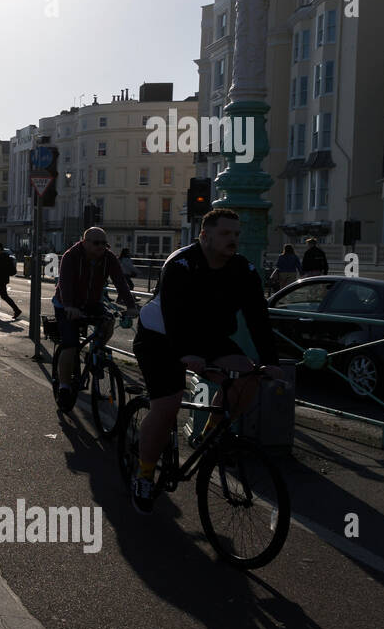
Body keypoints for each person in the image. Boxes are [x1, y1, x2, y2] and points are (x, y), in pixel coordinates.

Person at [131, 208, 282, 513]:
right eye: (226, 234)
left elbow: (258, 318)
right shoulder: (182, 264)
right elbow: (173, 317)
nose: (233, 240)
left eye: (236, 234)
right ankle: (144, 474)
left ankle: (209, 437)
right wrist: (186, 355)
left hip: (208, 337)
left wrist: (271, 361)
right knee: (167, 406)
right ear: (205, 236)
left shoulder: (244, 270)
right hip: (161, 337)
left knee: (249, 377)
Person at [52, 227, 137, 411]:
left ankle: (94, 353)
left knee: (108, 322)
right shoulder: (71, 256)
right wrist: (69, 306)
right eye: (96, 243)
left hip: (91, 302)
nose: (101, 247)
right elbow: (65, 283)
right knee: (70, 345)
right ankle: (64, 387)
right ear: (84, 242)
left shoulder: (109, 258)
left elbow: (120, 281)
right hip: (67, 304)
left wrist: (131, 306)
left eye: (104, 243)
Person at [0, 241, 22, 321]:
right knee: (3, 296)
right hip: (1, 280)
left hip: (0, 280)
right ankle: (16, 310)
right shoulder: (2, 256)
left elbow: (1, 270)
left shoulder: (2, 257)